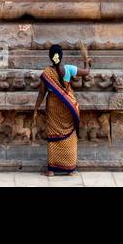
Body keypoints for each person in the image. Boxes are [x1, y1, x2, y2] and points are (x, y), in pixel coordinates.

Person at [33, 42, 90, 176]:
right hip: (67, 106)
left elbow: (42, 93)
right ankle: (69, 169)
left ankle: (51, 170)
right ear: (61, 56)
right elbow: (86, 72)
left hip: (53, 106)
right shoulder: (69, 69)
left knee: (54, 136)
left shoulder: (46, 73)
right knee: (69, 134)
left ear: (50, 57)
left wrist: (35, 109)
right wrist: (87, 62)